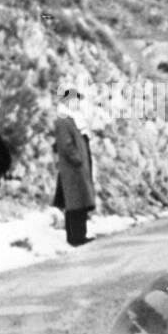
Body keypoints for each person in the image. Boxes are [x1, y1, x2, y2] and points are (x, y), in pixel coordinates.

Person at [52, 96, 96, 245]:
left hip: (77, 169)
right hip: (72, 170)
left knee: (79, 203)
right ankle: (76, 237)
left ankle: (79, 236)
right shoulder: (63, 121)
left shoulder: (71, 120)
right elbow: (66, 145)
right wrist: (78, 160)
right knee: (74, 204)